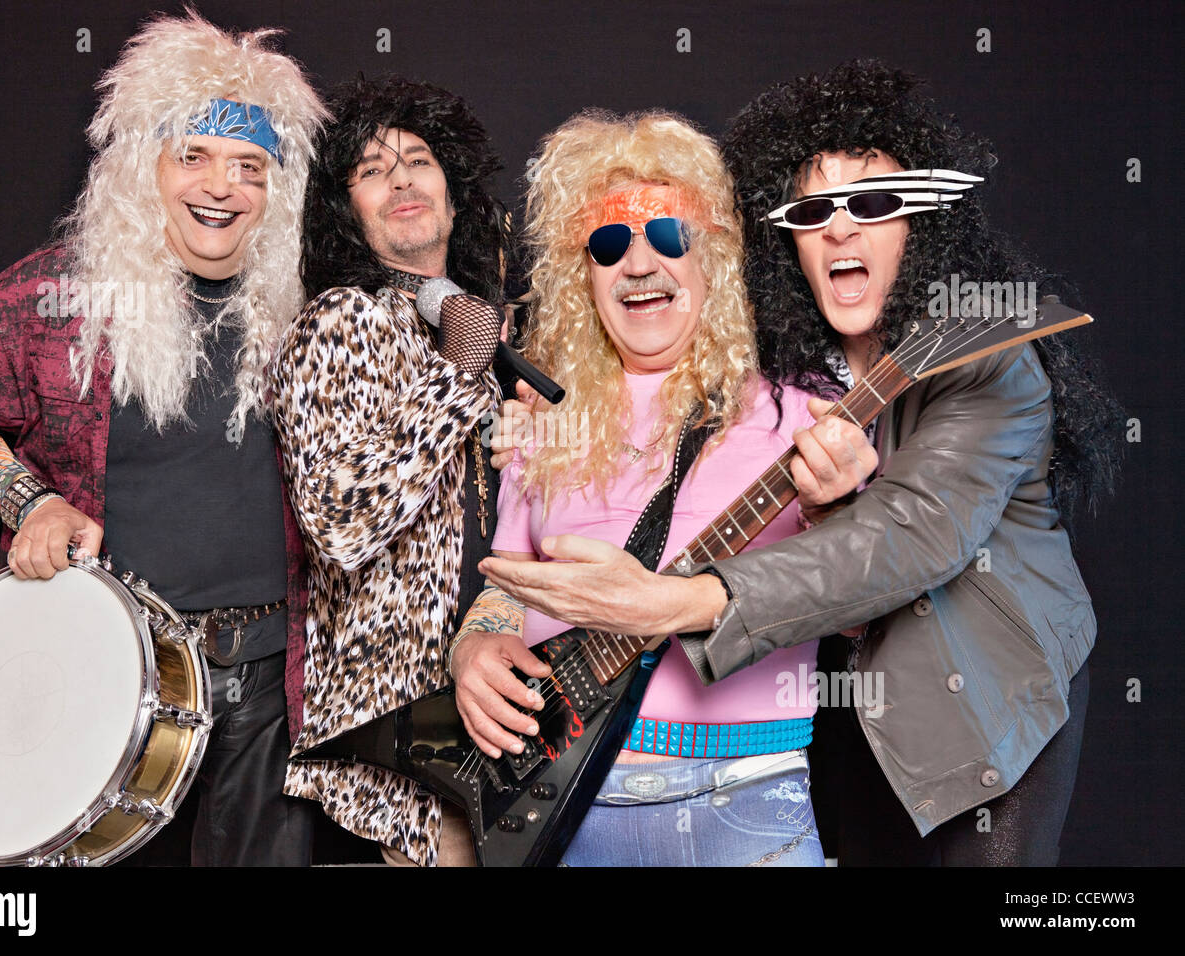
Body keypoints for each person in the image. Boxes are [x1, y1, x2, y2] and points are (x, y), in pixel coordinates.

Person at [480, 61, 1122, 865]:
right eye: (815, 210)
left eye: (875, 204)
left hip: (982, 700)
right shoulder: (786, 369)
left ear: (924, 225)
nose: (841, 230)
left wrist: (668, 604)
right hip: (843, 714)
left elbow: (905, 540)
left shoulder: (984, 360)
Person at [0, 12, 329, 866]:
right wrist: (33, 500)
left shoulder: (317, 310)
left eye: (250, 166)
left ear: (277, 187)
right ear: (145, 164)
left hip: (279, 675)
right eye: (195, 156)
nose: (222, 186)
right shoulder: (47, 300)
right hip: (101, 672)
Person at [451, 110, 875, 866]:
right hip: (563, 807)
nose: (639, 264)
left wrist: (836, 508)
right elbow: (506, 584)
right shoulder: (545, 420)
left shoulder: (805, 406)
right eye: (609, 244)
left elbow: (862, 617)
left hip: (746, 799)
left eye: (668, 238)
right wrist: (477, 647)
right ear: (584, 275)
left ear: (711, 255)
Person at [271, 76, 509, 866]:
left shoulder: (466, 324)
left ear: (452, 191)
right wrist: (459, 376)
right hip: (405, 729)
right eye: (373, 170)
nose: (402, 178)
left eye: (418, 161)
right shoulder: (341, 321)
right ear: (350, 210)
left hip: (495, 706)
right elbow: (340, 525)